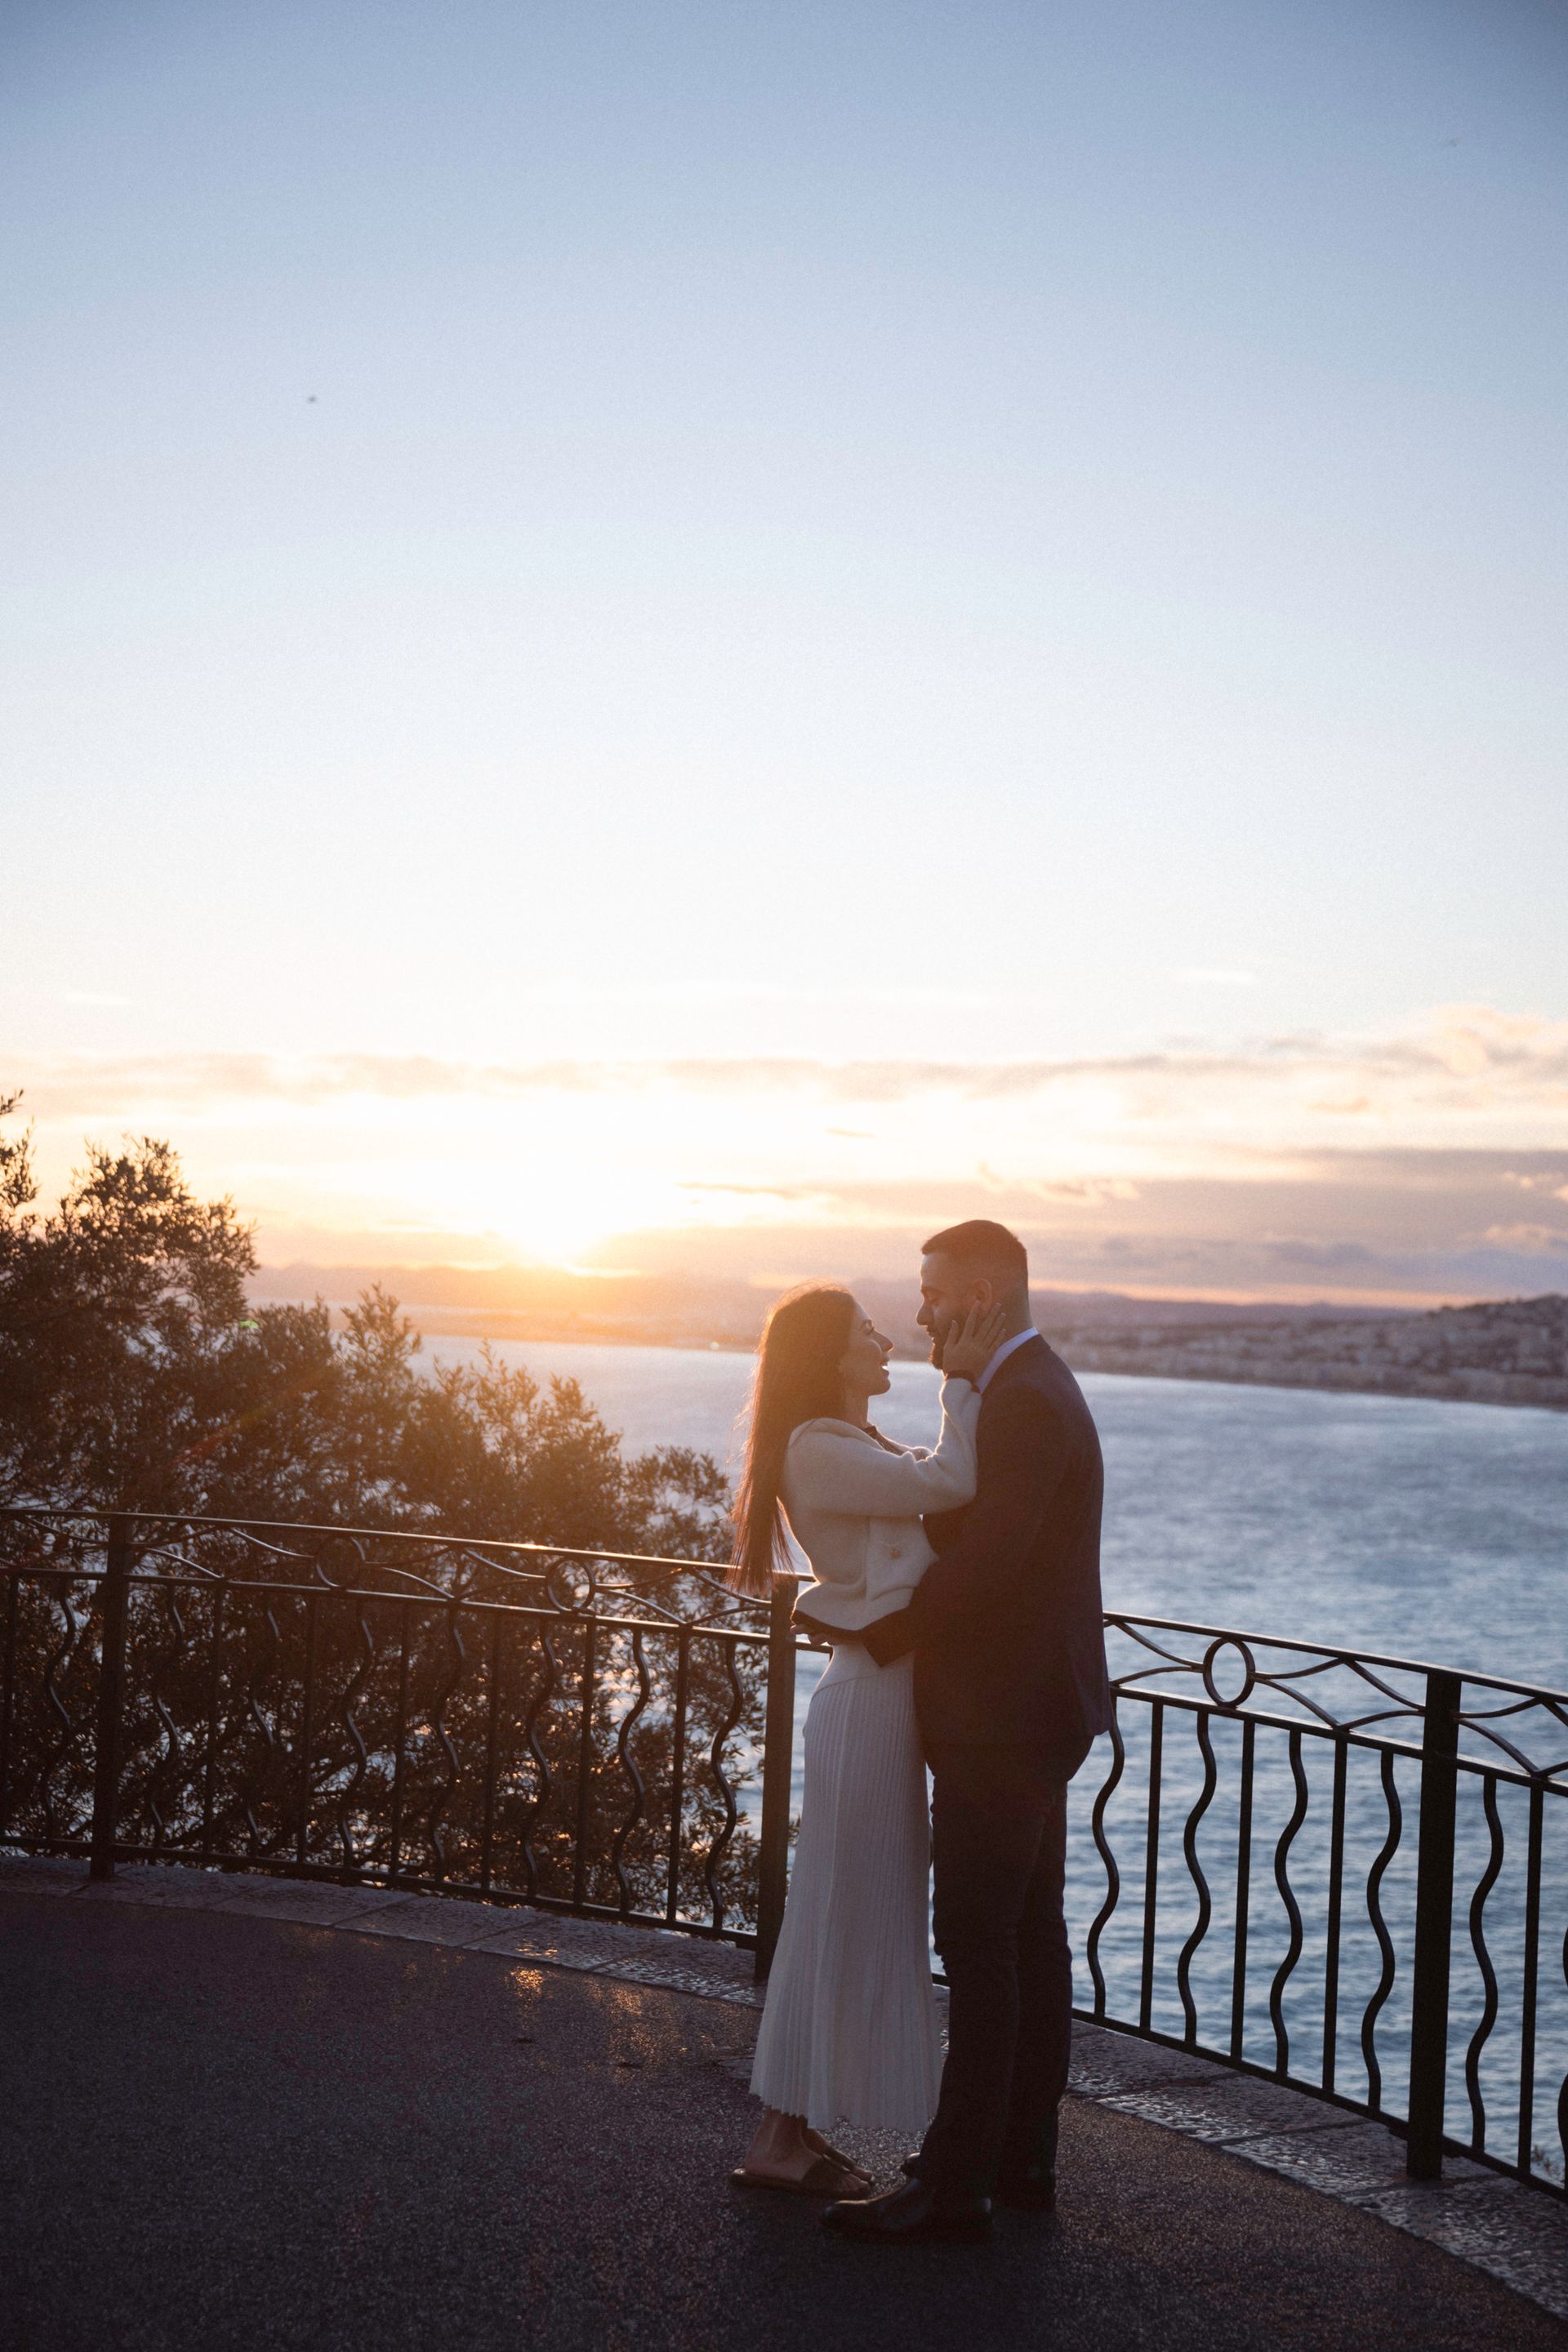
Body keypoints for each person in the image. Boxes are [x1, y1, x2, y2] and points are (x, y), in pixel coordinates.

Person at [822, 1219, 1112, 2245]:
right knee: (1029, 1941)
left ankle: (954, 2187)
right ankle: (1020, 2159)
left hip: (1006, 1719)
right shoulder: (1031, 1386)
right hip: (1038, 1709)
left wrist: (878, 1627)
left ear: (982, 1295)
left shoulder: (1024, 1399)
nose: (921, 1314)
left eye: (934, 1294)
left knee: (980, 1948)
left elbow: (988, 1561)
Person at [728, 1281, 1006, 2199]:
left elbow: (928, 1487)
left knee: (846, 1910)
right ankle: (778, 2137)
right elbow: (951, 1480)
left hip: (884, 1694)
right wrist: (960, 1380)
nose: (886, 1341)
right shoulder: (816, 1447)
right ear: (830, 1355)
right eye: (867, 1331)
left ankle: (790, 2129)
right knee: (839, 1912)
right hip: (869, 1699)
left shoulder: (848, 1442)